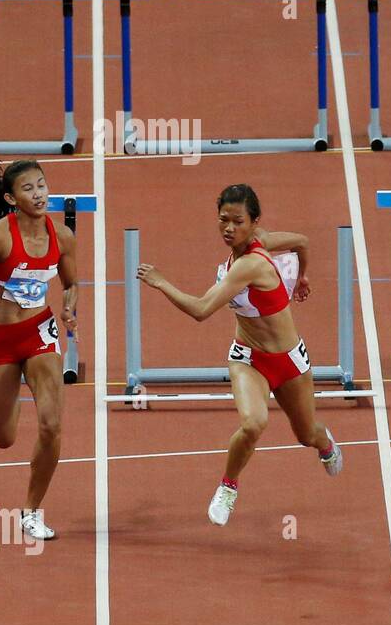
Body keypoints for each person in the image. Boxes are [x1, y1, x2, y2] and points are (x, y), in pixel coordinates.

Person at [136, 184, 342, 525]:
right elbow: (302, 243)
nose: (229, 228)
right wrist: (301, 276)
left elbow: (202, 309)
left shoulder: (250, 264)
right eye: (223, 220)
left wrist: (161, 282)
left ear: (254, 222)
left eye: (238, 221)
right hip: (248, 357)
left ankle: (325, 444)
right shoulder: (249, 247)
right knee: (253, 422)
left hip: (289, 361)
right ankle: (228, 487)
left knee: (306, 434)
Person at [0, 160, 77, 541]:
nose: (38, 194)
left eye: (42, 185)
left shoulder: (63, 237)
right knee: (3, 438)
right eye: (28, 188)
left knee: (52, 425)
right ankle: (14, 389)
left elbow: (71, 283)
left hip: (39, 332)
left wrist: (70, 305)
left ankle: (32, 512)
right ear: (11, 197)